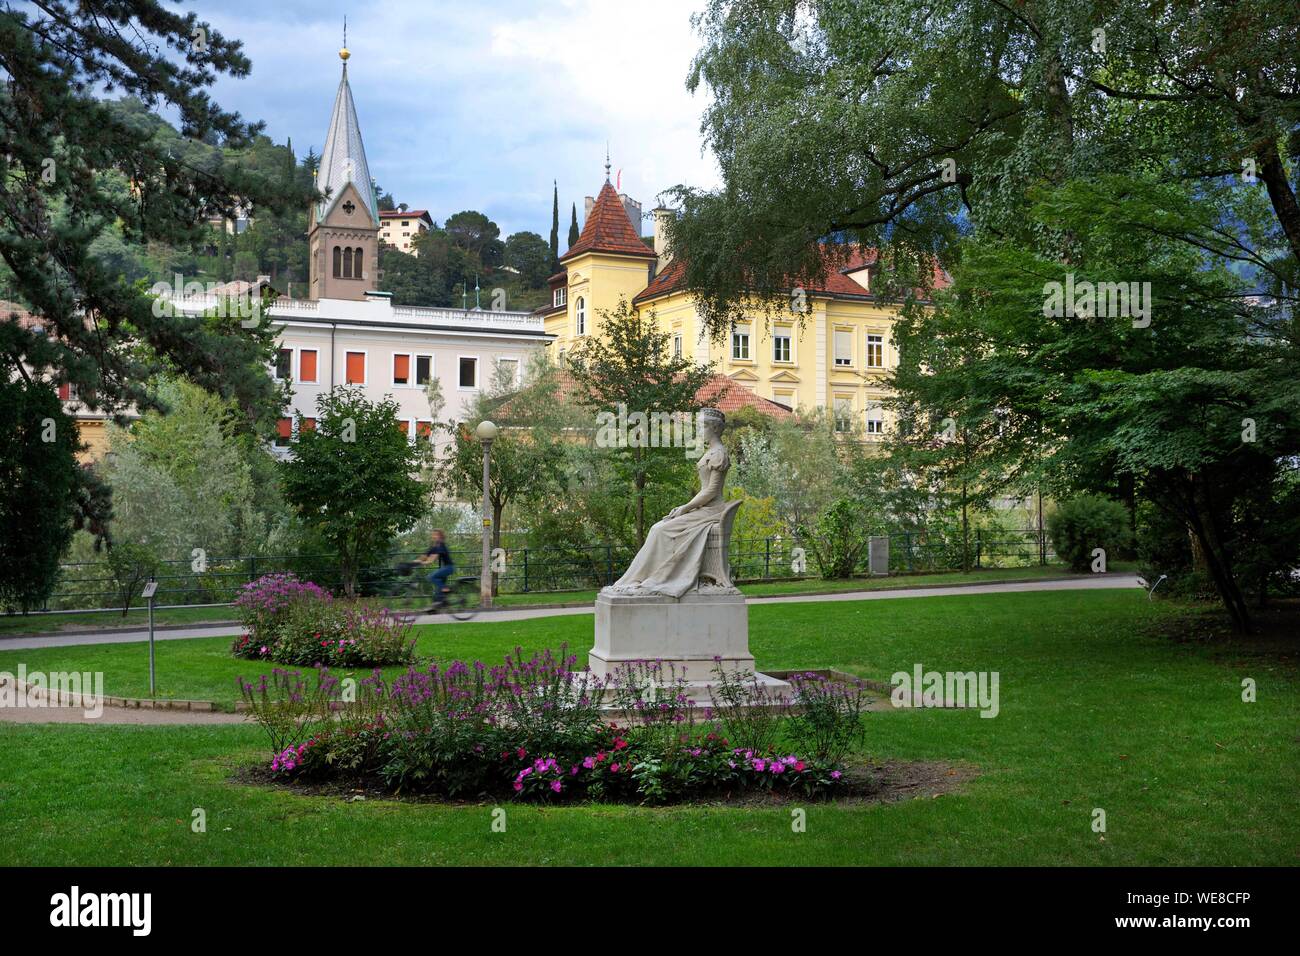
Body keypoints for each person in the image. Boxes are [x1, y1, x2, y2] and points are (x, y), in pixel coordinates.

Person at [419, 529, 455, 611]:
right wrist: (414, 562)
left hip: (449, 568)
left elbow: (432, 559)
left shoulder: (441, 545)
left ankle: (446, 589)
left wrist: (423, 563)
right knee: (438, 590)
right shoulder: (435, 546)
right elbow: (425, 555)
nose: (433, 536)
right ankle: (436, 606)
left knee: (431, 577)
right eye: (433, 535)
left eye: (435, 535)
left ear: (440, 536)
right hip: (445, 568)